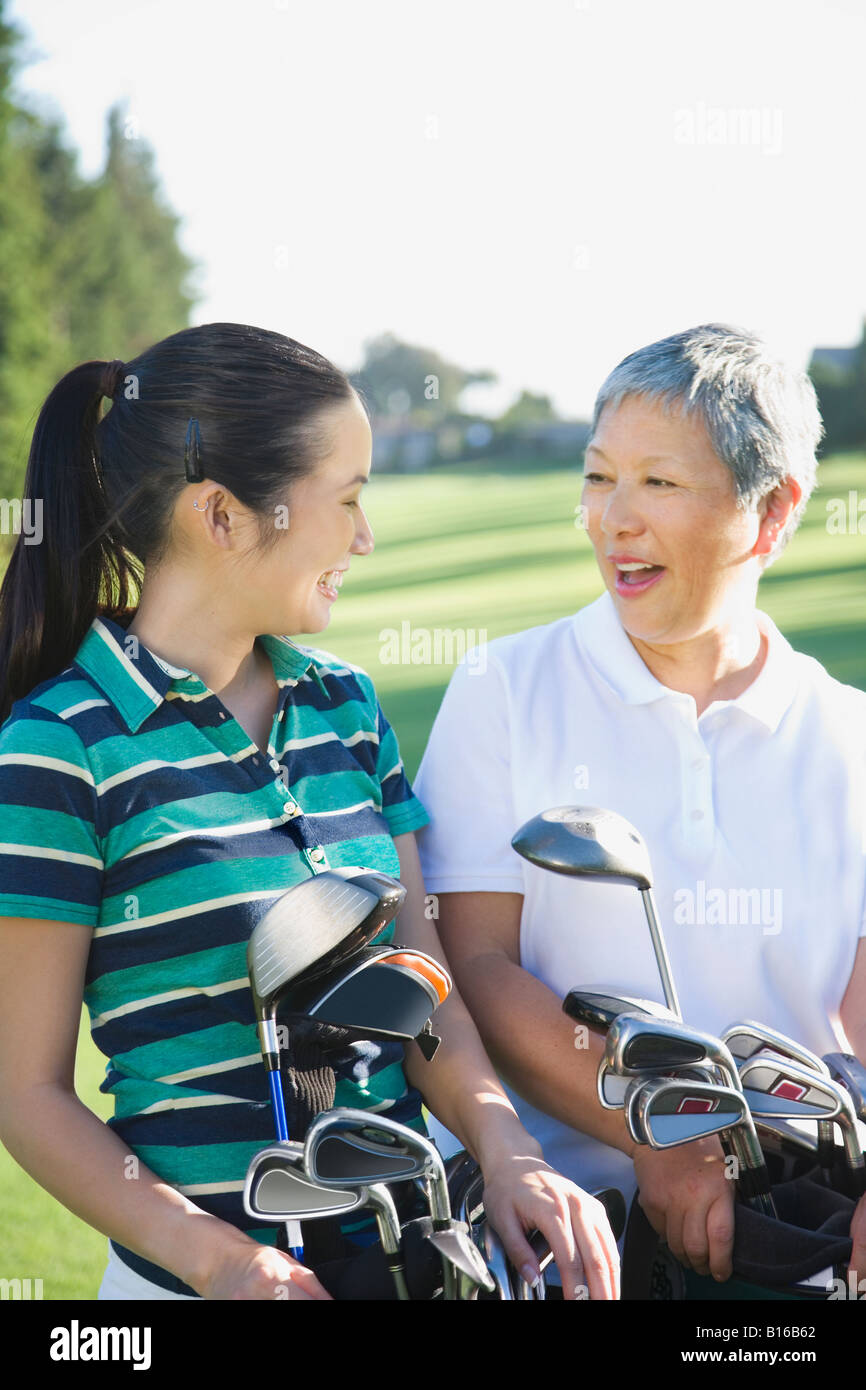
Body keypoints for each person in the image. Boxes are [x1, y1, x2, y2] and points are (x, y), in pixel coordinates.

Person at [0, 322, 619, 1301]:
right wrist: (222, 1261)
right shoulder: (60, 744)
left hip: (416, 1264)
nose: (364, 537)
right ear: (223, 515)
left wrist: (506, 1150)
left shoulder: (346, 705)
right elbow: (25, 1092)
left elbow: (428, 983)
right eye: (347, 500)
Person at [413, 323, 866, 1285]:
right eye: (597, 477)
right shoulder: (504, 688)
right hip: (575, 1244)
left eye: (658, 484)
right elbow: (473, 960)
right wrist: (657, 1132)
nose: (613, 518)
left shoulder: (848, 733)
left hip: (803, 1229)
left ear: (774, 512)